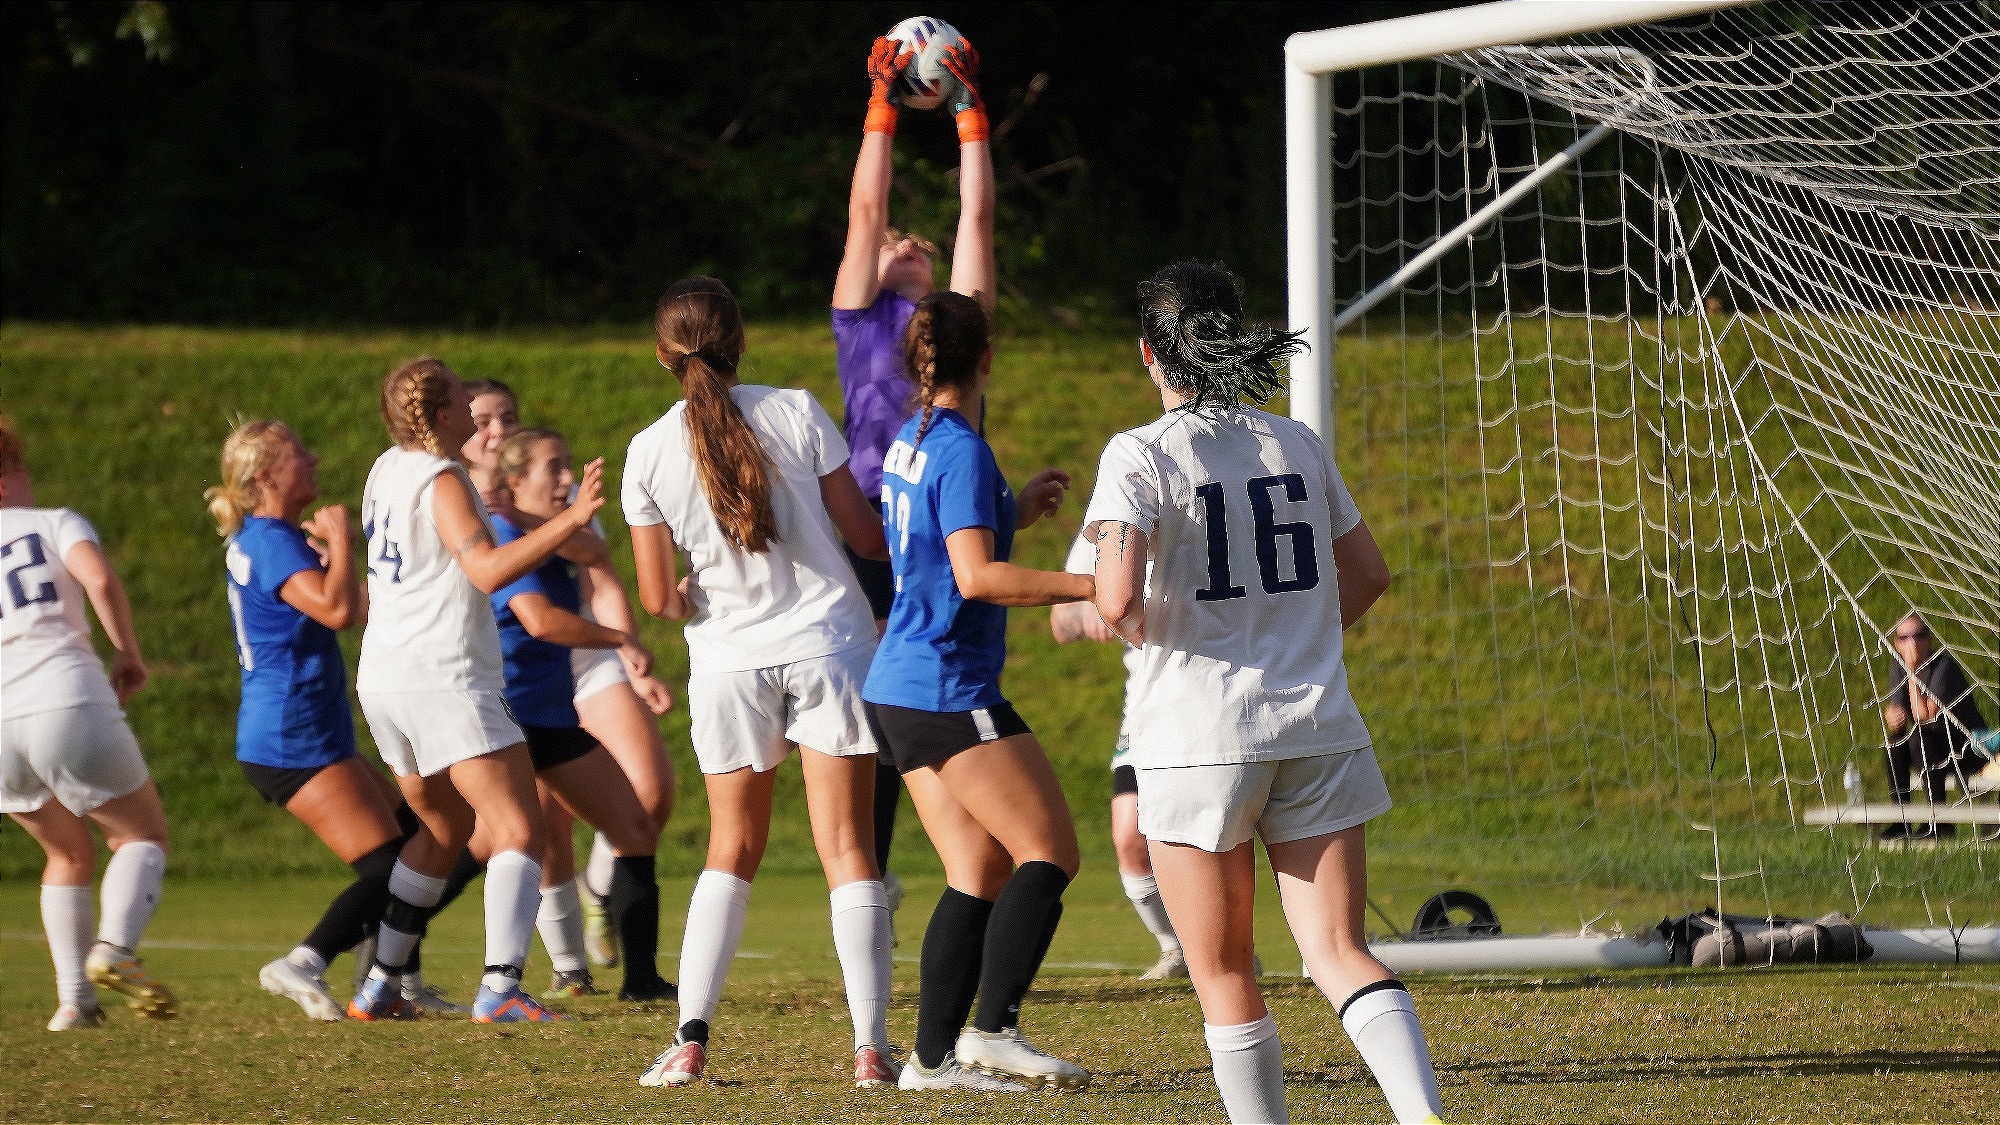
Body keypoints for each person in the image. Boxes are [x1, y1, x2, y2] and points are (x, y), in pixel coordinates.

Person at [1083, 261, 1444, 1125]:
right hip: (1314, 724)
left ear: (1148, 353)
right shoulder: (1294, 440)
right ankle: (1422, 1115)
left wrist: (1144, 624)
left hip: (1199, 739)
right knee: (1337, 948)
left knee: (1224, 969)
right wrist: (1296, 645)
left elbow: (1114, 597)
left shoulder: (1138, 453)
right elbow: (1368, 573)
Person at [626, 277, 898, 1090]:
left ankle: (689, 1040)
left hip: (729, 662)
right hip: (830, 644)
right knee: (849, 848)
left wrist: (688, 591)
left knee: (730, 849)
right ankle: (870, 1051)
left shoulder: (648, 448)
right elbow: (865, 539)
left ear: (663, 355)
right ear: (741, 340)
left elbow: (654, 596)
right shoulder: (797, 409)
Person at [862, 290, 1093, 1093]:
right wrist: (1088, 585)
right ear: (985, 358)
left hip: (898, 683)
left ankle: (929, 1063)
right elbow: (975, 575)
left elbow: (937, 547)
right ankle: (991, 1030)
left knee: (976, 867)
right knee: (1051, 851)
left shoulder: (912, 438)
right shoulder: (960, 448)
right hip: (943, 685)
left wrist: (1010, 509)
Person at [348, 355, 604, 1023]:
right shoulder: (442, 477)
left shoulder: (385, 469)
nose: (473, 407)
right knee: (522, 825)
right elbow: (487, 570)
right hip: (444, 676)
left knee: (444, 825)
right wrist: (570, 520)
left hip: (383, 676)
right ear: (439, 416)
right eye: (463, 398)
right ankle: (500, 986)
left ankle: (380, 982)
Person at [830, 29, 996, 920]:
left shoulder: (961, 325)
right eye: (892, 243)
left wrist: (970, 116)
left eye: (915, 246)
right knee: (877, 701)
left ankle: (974, 845)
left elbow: (976, 221)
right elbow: (865, 209)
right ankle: (878, 869)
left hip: (953, 520)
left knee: (946, 682)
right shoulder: (862, 326)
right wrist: (882, 110)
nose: (901, 244)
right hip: (875, 523)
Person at [460, 378, 677, 990]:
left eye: (508, 416)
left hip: (562, 687)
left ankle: (637, 972)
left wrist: (631, 653)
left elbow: (596, 566)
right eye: (483, 420)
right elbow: (536, 619)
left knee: (641, 809)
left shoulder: (543, 510)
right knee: (512, 834)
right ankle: (559, 967)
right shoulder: (474, 514)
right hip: (510, 697)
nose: (497, 428)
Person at [1, 422, 178, 1030]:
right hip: (64, 696)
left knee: (65, 852)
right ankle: (116, 951)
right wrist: (126, 652)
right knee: (140, 837)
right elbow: (98, 578)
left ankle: (75, 1002)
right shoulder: (51, 521)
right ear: (5, 478)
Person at [1050, 537, 1187, 981]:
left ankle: (1241, 946)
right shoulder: (1110, 518)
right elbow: (1061, 622)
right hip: (1147, 712)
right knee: (1129, 836)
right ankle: (1176, 948)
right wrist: (1089, 608)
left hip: (1213, 697)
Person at [1881, 611, 1989, 841]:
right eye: (1904, 638)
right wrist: (1894, 715)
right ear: (1896, 644)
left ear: (1929, 640)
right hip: (1931, 747)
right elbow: (1897, 712)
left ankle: (1940, 822)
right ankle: (1901, 821)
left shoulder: (1943, 667)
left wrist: (1912, 674)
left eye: (1918, 636)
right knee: (1894, 744)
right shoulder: (1897, 667)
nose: (1912, 643)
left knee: (1920, 736)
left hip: (1965, 748)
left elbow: (1927, 717)